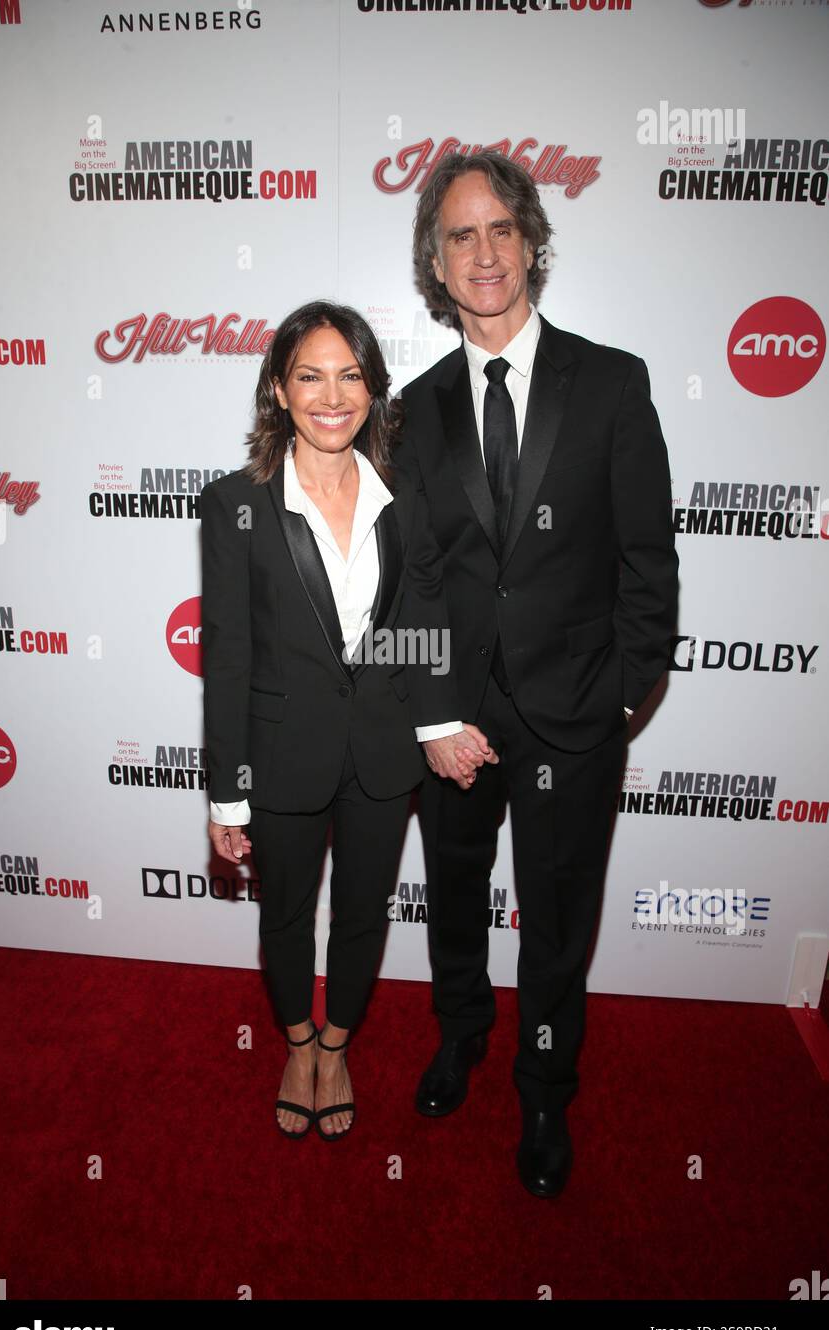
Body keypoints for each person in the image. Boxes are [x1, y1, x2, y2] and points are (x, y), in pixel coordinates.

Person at [397, 152, 679, 1196]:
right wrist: (430, 715)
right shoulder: (412, 411)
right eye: (459, 235)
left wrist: (616, 694)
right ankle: (461, 1036)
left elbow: (647, 563)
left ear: (529, 242)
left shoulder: (608, 383)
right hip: (459, 724)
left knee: (559, 920)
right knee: (456, 898)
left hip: (574, 715)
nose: (484, 253)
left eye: (500, 230)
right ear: (434, 259)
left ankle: (545, 1086)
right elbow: (407, 585)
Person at [200, 300, 493, 1141]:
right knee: (286, 914)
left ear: (372, 388)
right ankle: (296, 1045)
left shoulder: (405, 495)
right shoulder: (236, 506)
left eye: (351, 376)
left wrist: (437, 720)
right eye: (310, 376)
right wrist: (228, 796)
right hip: (281, 753)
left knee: (364, 911)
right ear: (280, 391)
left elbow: (426, 607)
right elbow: (226, 658)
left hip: (381, 750)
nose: (332, 396)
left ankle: (337, 1044)